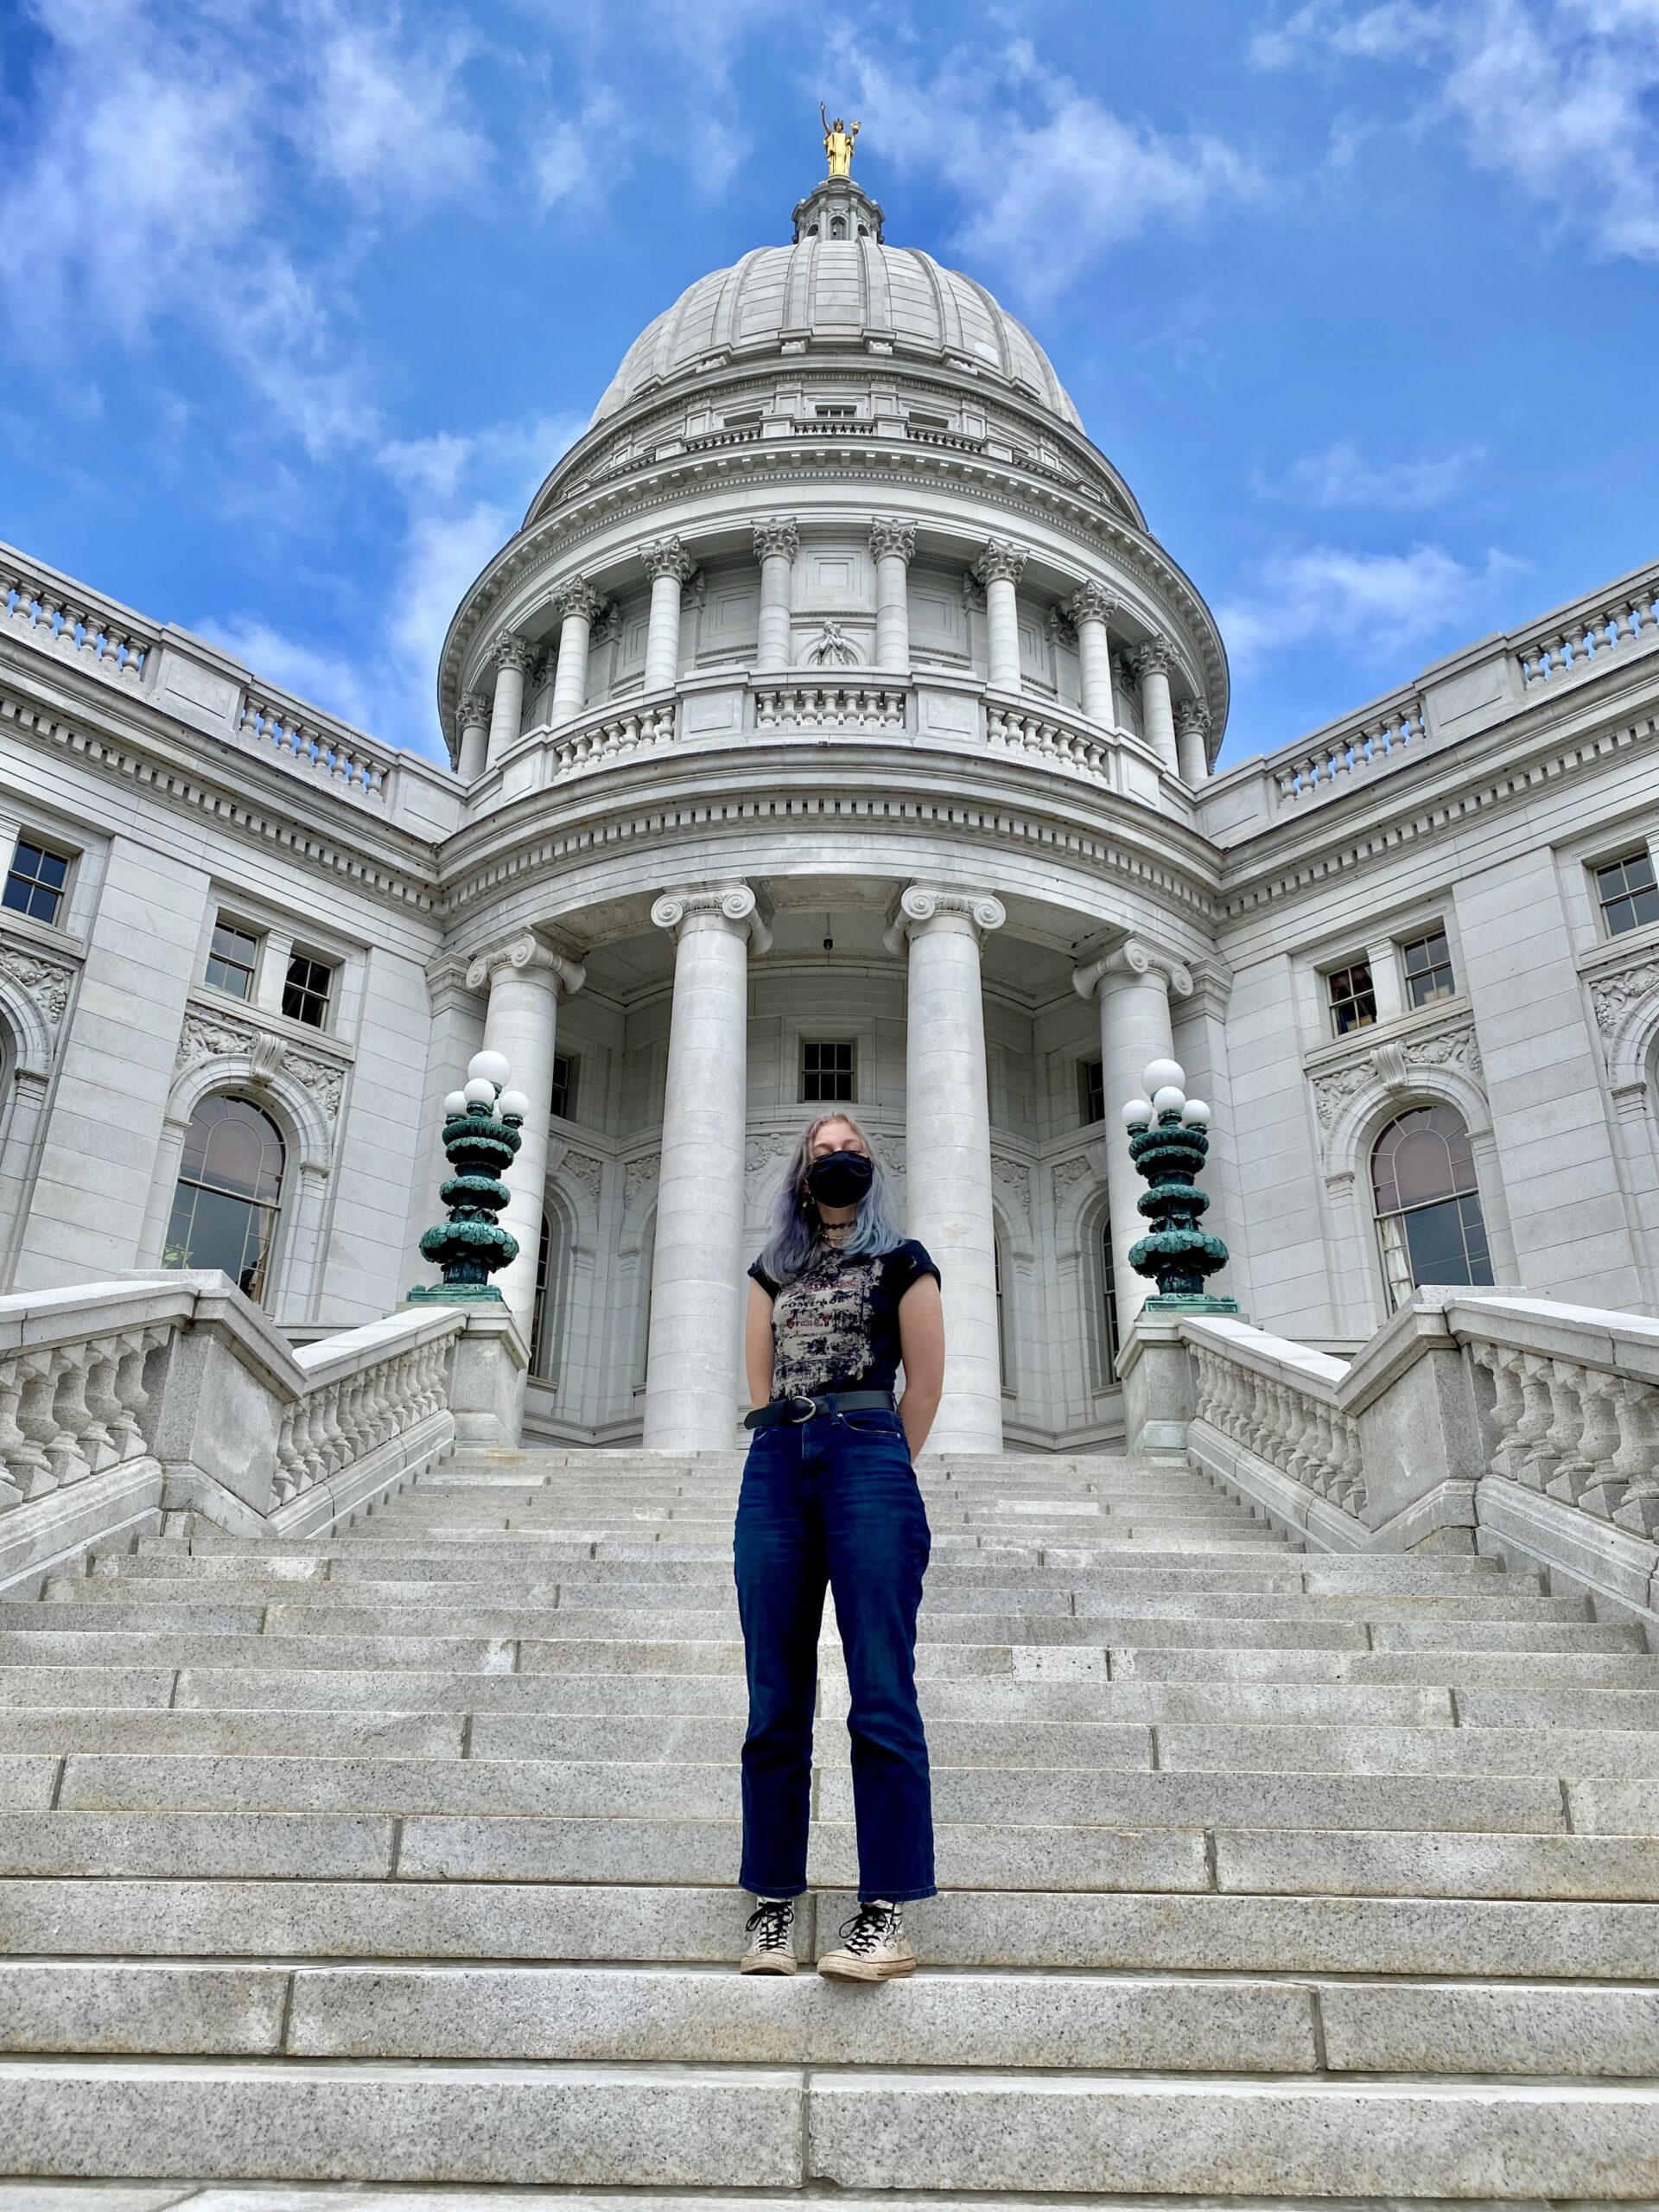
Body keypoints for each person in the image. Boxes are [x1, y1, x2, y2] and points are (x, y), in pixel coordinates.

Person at [734, 1110, 944, 1981]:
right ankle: (773, 1905)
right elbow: (759, 1380)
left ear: (872, 1166)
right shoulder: (771, 1269)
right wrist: (793, 1440)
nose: (840, 1158)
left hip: (867, 1455)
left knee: (881, 1692)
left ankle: (884, 1909)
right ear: (800, 1172)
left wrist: (881, 1459)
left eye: (852, 1148)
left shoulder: (905, 1260)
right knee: (774, 1697)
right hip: (779, 1461)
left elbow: (926, 1383)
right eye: (824, 1151)